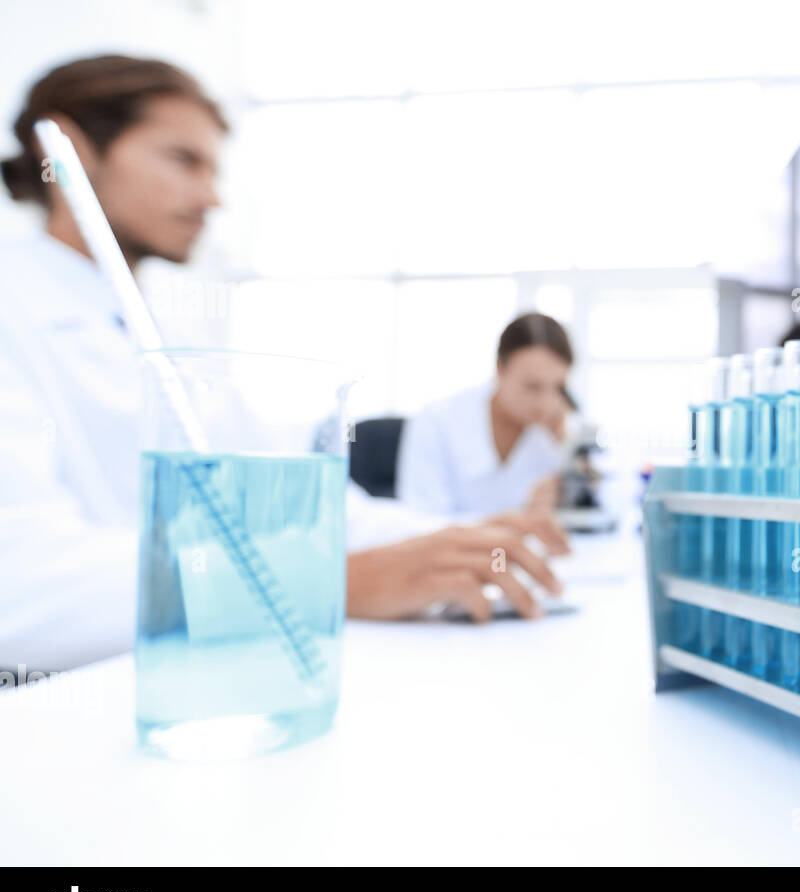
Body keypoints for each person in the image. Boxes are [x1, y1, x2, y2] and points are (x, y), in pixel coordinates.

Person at [0, 55, 567, 674]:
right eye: (182, 160)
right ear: (68, 152)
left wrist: (464, 538)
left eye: (214, 170)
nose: (212, 198)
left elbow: (308, 509)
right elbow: (20, 588)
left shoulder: (170, 336)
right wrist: (329, 581)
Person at [396, 313, 573, 517]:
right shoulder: (437, 420)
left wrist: (567, 450)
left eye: (559, 387)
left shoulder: (563, 434)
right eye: (533, 387)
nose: (547, 403)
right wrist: (519, 520)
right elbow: (421, 519)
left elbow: (610, 508)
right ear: (499, 370)